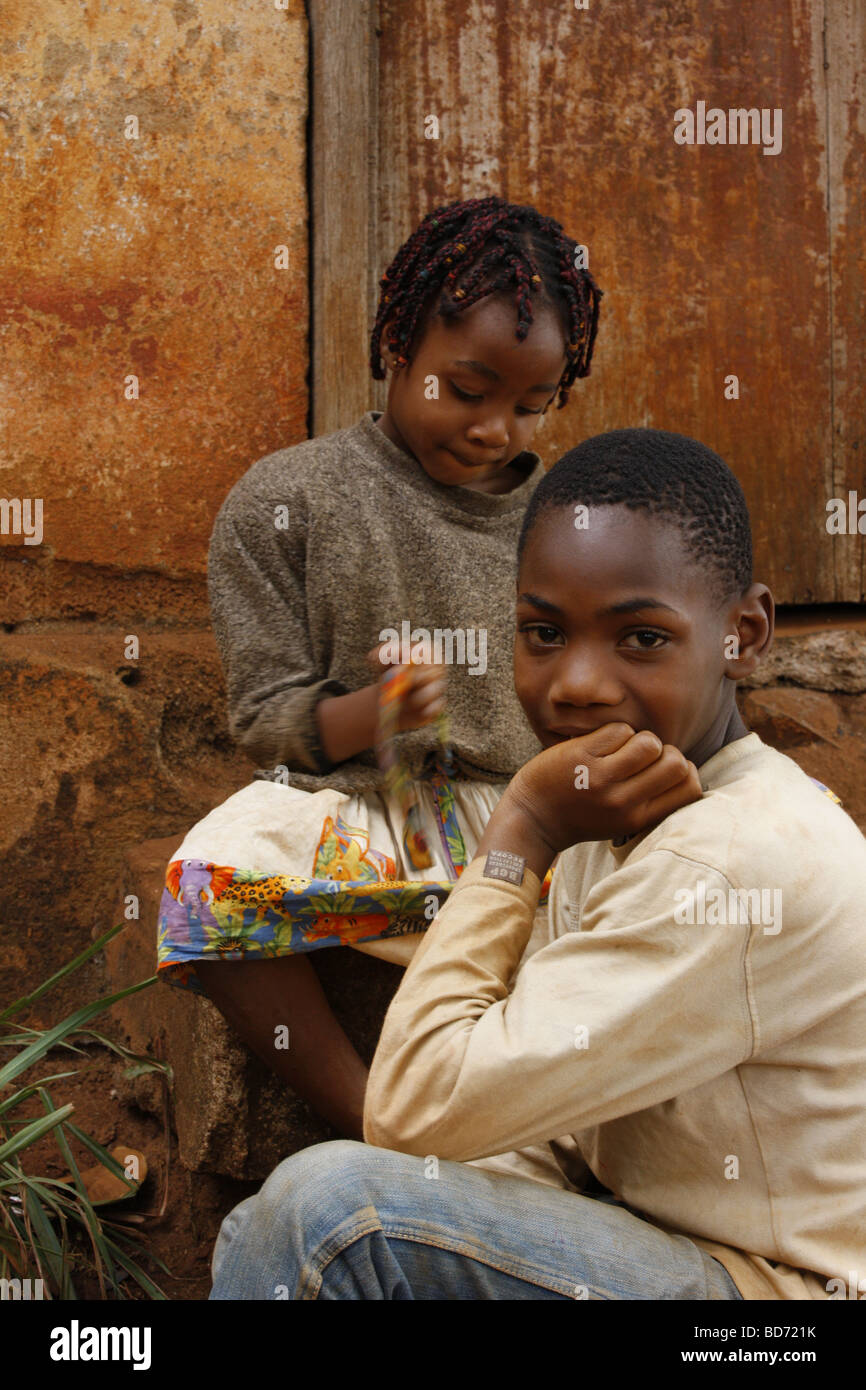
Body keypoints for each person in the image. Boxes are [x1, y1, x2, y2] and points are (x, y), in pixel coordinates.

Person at [208, 428, 866, 1301]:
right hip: (654, 1248)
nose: (577, 684)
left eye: (640, 639)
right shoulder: (625, 812)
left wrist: (518, 829)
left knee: (329, 1217)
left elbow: (408, 1112)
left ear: (744, 635)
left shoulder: (726, 859)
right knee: (274, 1229)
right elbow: (542, 1135)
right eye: (544, 632)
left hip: (776, 1313)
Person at [155, 197, 602, 1140]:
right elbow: (266, 716)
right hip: (365, 814)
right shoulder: (290, 501)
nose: (495, 429)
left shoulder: (568, 524)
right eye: (466, 389)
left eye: (530, 405)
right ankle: (376, 1126)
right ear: (398, 343)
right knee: (208, 887)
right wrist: (382, 712)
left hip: (535, 826)